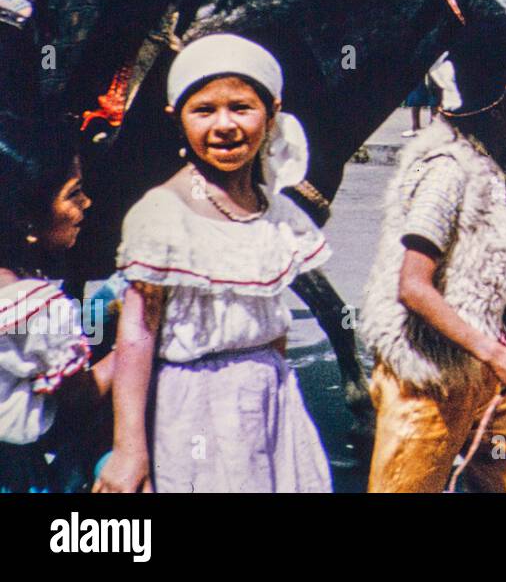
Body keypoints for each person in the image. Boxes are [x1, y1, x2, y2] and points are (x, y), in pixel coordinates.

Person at [94, 34, 332, 493]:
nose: (224, 125)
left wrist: (279, 402)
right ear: (177, 118)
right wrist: (129, 449)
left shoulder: (275, 214)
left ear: (272, 112)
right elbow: (137, 335)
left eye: (241, 108)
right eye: (204, 110)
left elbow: (273, 326)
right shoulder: (163, 213)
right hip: (196, 405)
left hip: (271, 401)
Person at [361, 9, 506, 493]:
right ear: (504, 98)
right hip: (425, 378)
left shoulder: (501, 155)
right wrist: (495, 352)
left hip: (479, 371)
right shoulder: (447, 170)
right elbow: (413, 286)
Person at [0, 114, 113, 493]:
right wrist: (138, 340)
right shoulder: (36, 307)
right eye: (73, 193)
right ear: (26, 220)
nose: (88, 202)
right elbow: (78, 396)